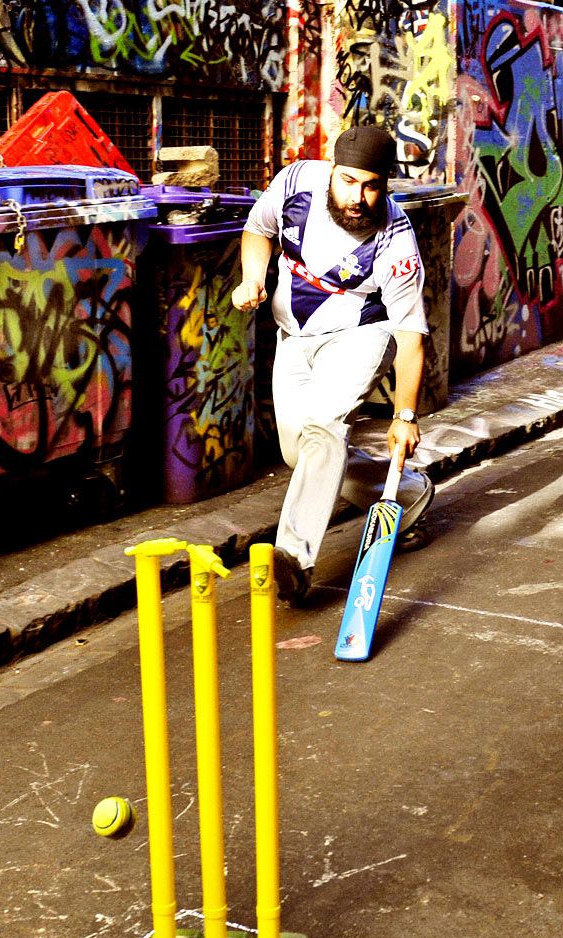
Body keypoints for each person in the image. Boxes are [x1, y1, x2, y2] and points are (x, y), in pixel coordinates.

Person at [232, 125, 434, 604]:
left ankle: (294, 558)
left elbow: (411, 338)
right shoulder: (295, 183)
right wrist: (253, 278)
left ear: (386, 183)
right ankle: (409, 495)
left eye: (371, 185)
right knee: (299, 453)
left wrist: (405, 416)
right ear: (331, 170)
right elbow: (257, 230)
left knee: (324, 427)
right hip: (293, 336)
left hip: (362, 336)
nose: (357, 196)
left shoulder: (397, 243)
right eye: (347, 181)